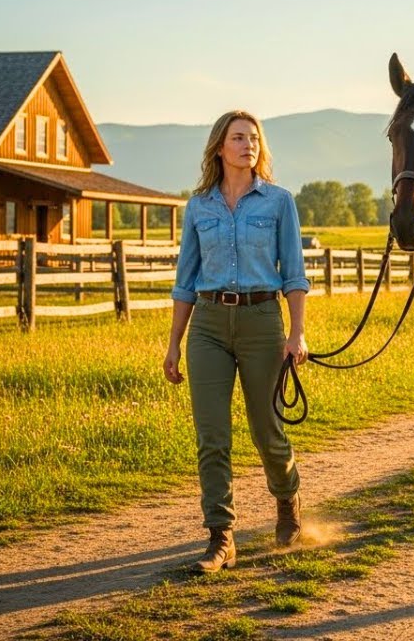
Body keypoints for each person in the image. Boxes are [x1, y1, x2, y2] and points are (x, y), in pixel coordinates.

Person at [163, 109, 310, 574]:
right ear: (219, 147)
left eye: (254, 138)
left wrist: (296, 332)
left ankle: (287, 502)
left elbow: (295, 275)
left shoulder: (279, 202)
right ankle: (221, 537)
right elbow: (185, 280)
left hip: (262, 320)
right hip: (207, 323)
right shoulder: (199, 206)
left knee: (267, 430)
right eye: (238, 137)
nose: (248, 144)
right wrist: (173, 344)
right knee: (211, 437)